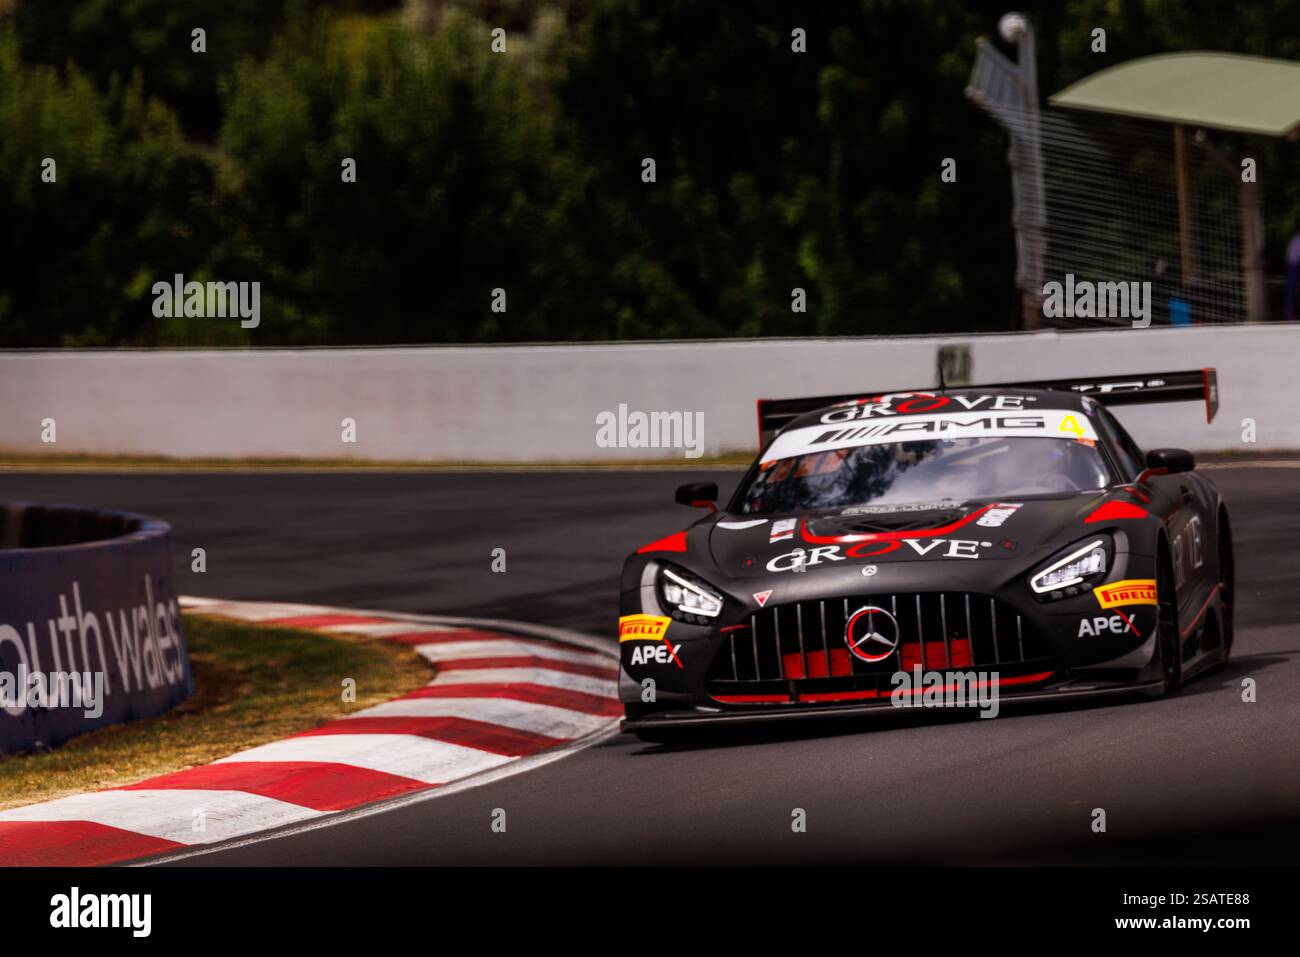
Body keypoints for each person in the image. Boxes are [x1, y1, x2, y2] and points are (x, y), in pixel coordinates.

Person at [1286, 232, 1300, 323]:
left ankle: (1290, 313)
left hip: (1294, 262)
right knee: (1291, 288)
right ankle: (1290, 314)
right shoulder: (1297, 240)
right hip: (1294, 264)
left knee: (1291, 288)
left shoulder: (1296, 239)